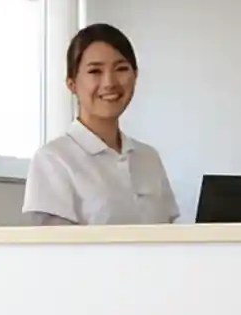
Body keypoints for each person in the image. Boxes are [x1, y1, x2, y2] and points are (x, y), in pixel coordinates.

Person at [22, 23, 179, 225]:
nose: (109, 83)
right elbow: (53, 251)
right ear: (72, 83)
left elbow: (171, 241)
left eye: (121, 69)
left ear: (135, 76)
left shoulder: (148, 158)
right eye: (95, 71)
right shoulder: (53, 160)